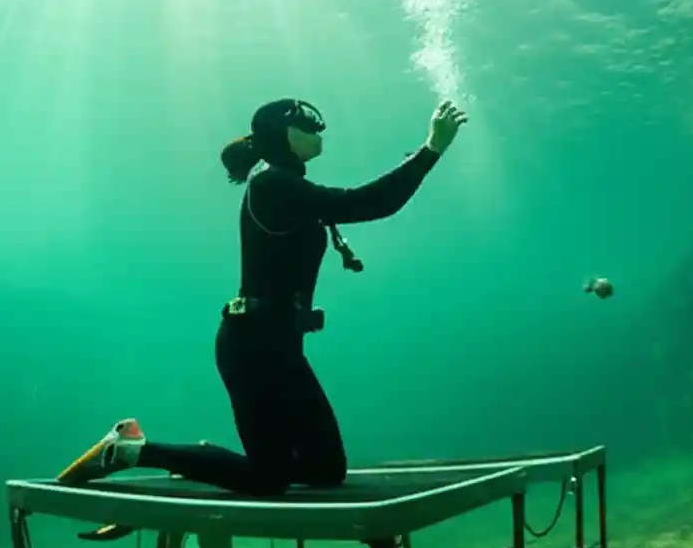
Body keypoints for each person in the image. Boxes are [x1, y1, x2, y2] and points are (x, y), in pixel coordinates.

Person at [56, 98, 468, 498]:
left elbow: (362, 203)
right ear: (284, 134)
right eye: (305, 123)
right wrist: (432, 148)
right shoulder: (272, 185)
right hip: (252, 348)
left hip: (278, 347)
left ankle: (208, 463)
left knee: (326, 470)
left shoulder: (287, 186)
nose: (318, 129)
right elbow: (369, 202)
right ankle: (130, 449)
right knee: (268, 480)